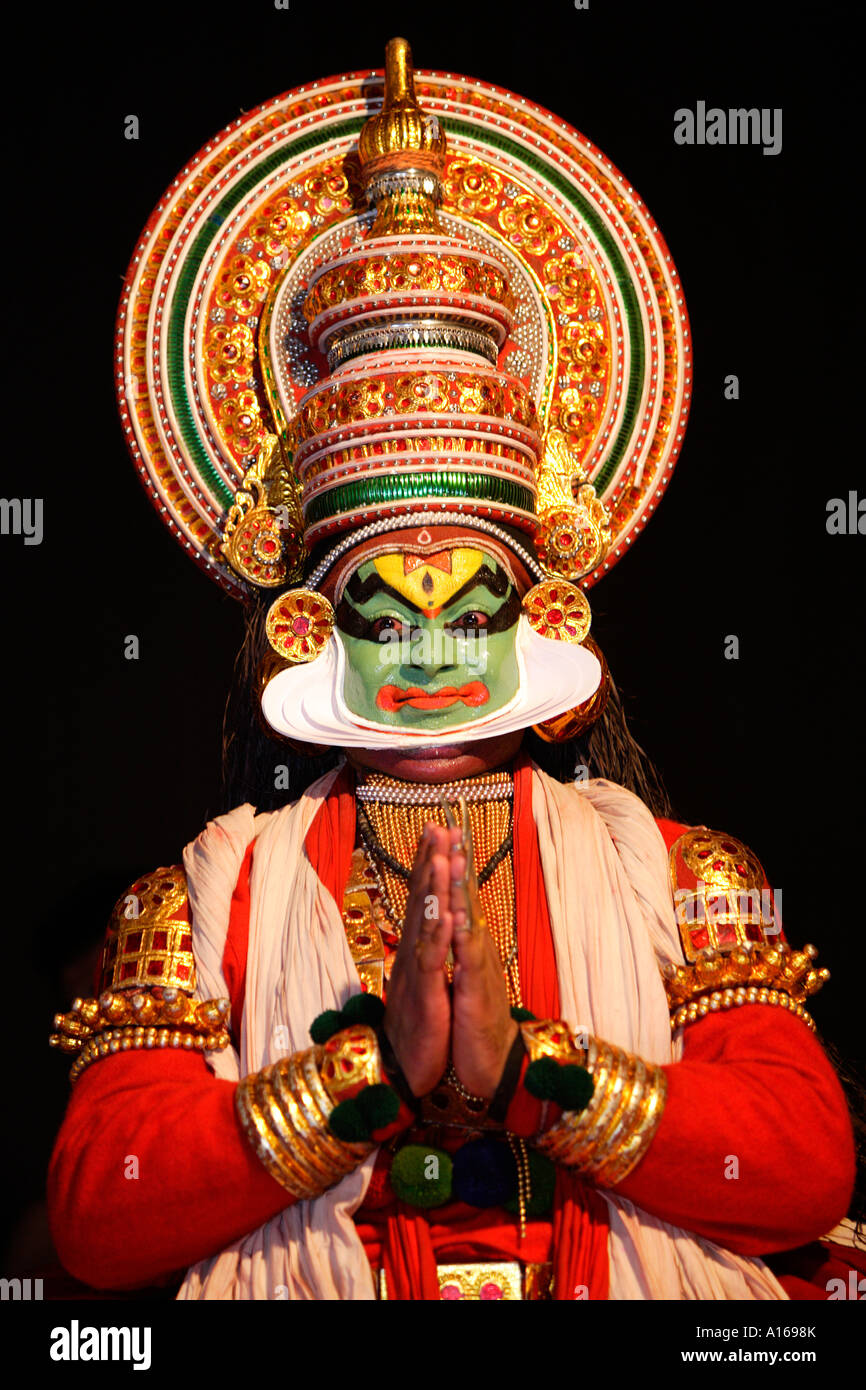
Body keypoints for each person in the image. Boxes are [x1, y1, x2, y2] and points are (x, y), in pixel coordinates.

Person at [47, 39, 855, 1301]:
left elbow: (803, 1165)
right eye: (383, 608)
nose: (427, 653)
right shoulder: (203, 902)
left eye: (466, 607)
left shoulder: (688, 878)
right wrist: (369, 1074)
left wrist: (532, 1068)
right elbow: (101, 1212)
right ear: (312, 629)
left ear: (541, 613)